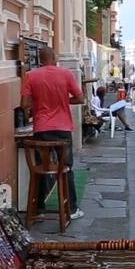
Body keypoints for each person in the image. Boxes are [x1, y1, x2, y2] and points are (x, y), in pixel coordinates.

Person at [21, 47, 86, 221]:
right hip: (63, 128)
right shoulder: (65, 74)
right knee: (66, 168)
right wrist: (64, 100)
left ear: (40, 59)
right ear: (55, 58)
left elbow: (25, 103)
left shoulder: (31, 75)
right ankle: (71, 208)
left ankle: (39, 208)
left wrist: (38, 103)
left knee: (42, 167)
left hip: (42, 129)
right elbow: (80, 99)